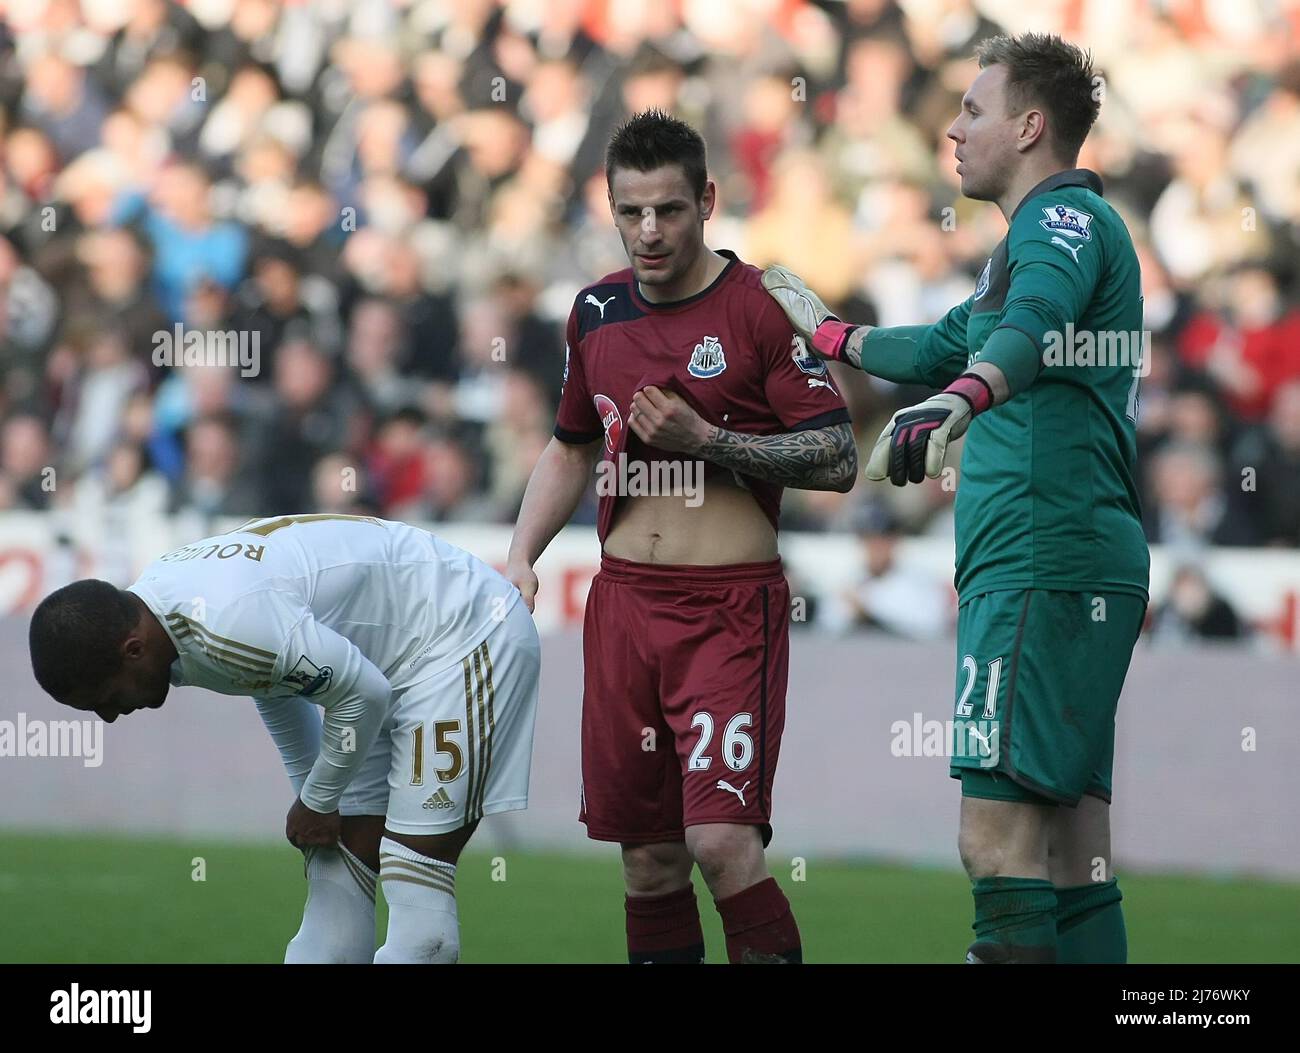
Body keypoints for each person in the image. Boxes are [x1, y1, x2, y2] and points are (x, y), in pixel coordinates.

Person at [765, 34, 1149, 963]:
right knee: (1071, 856)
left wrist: (962, 399)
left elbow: (1026, 328)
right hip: (1080, 559)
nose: (952, 127)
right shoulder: (1038, 242)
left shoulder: (1059, 228)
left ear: (1029, 126)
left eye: (973, 111)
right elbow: (943, 343)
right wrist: (828, 330)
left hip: (1037, 558)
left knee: (994, 843)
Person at [506, 109, 856, 964]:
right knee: (649, 858)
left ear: (707, 200)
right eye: (631, 212)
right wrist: (521, 554)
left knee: (721, 842)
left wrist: (711, 442)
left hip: (727, 613)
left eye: (668, 209)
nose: (649, 231)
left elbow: (839, 454)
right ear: (611, 207)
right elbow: (570, 444)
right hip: (624, 607)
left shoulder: (762, 305)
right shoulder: (594, 312)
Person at [28, 513, 540, 964]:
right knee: (334, 867)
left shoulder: (223, 621)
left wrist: (318, 801)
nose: (109, 717)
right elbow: (272, 681)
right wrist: (315, 800)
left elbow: (363, 692)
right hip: (380, 664)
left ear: (133, 649)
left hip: (462, 635)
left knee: (416, 892)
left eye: (103, 697)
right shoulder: (166, 615)